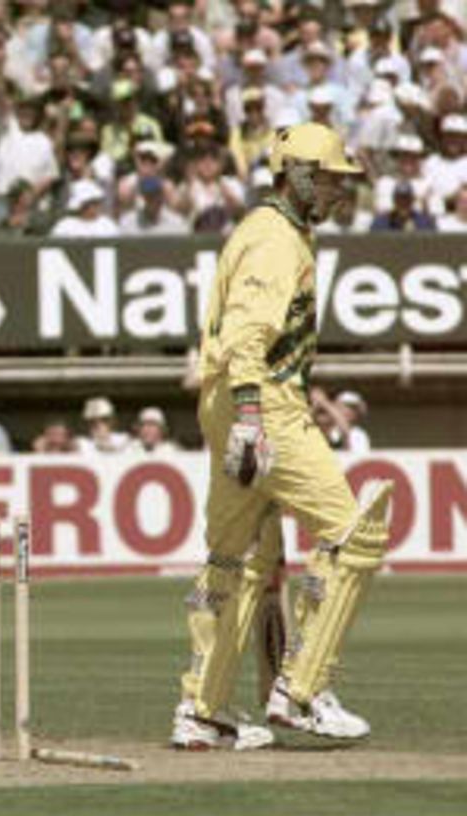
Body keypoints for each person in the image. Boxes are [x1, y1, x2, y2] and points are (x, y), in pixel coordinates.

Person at [172, 123, 391, 751]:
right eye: (328, 178)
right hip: (260, 397)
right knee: (354, 533)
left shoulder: (271, 231)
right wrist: (248, 412)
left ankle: (201, 711)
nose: (338, 191)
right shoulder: (275, 241)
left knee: (236, 558)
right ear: (294, 172)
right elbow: (247, 333)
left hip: (233, 397)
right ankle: (301, 690)